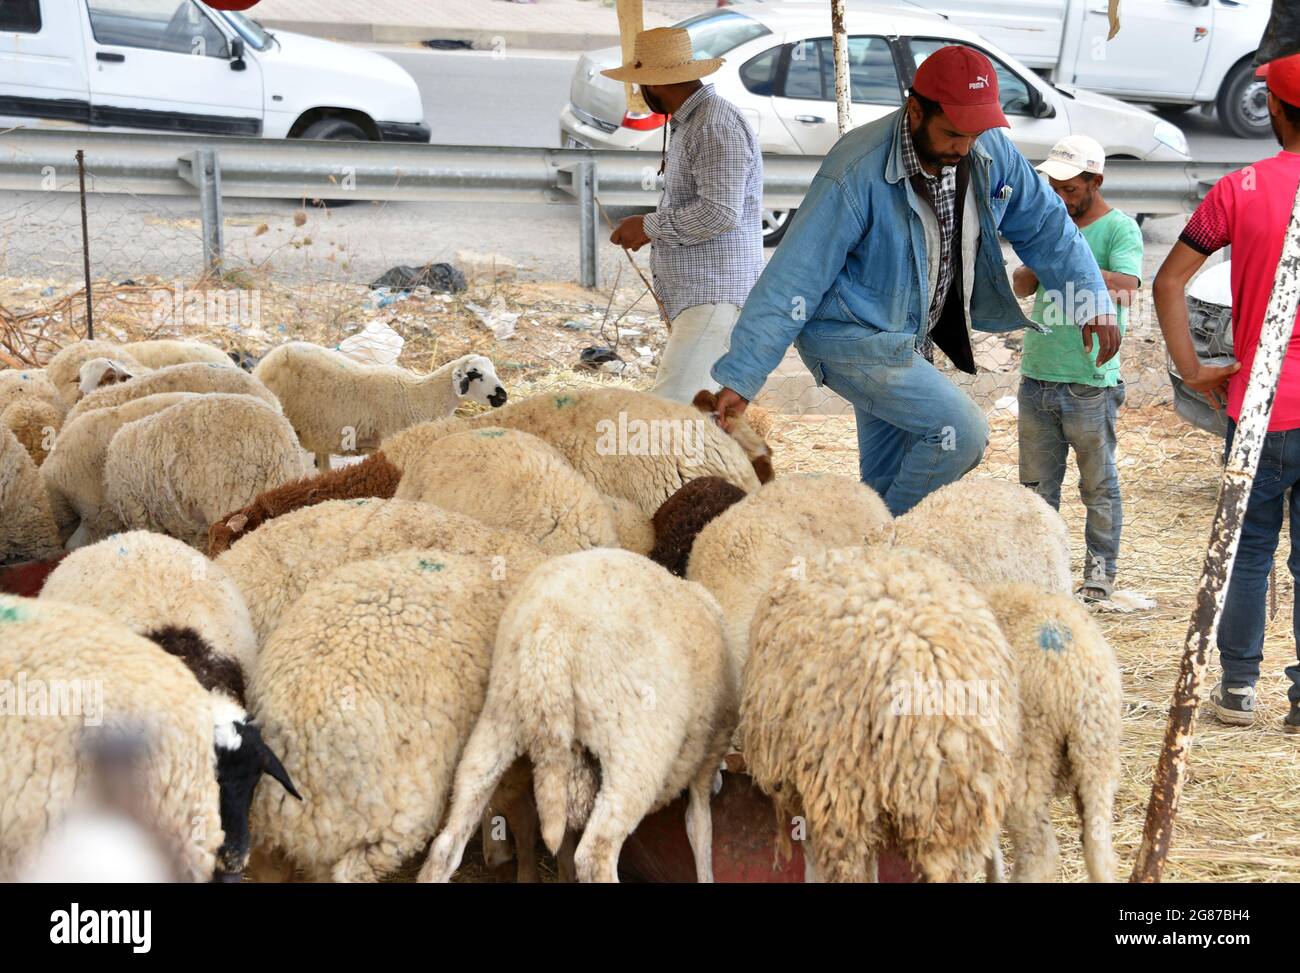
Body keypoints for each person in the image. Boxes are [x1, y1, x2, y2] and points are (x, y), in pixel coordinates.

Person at [707, 44, 1118, 516]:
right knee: (960, 433)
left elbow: (1047, 227)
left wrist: (1092, 300)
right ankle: (883, 542)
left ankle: (871, 563)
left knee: (886, 478)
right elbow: (792, 278)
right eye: (952, 133)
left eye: (975, 133)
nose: (964, 147)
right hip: (847, 337)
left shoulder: (986, 148)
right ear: (916, 110)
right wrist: (742, 375)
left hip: (906, 337)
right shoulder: (855, 170)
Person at [1154, 51, 1300, 730]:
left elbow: (1169, 281)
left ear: (1274, 110)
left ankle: (1239, 690)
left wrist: (1191, 368)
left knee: (1248, 551)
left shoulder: (1237, 189)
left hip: (1258, 405)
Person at [1014, 135, 1143, 603]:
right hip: (1038, 374)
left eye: (1070, 188)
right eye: (1054, 186)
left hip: (1090, 381)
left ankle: (1099, 572)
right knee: (1035, 487)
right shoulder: (1048, 224)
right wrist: (1044, 254)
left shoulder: (1118, 230)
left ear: (1095, 182)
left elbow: (1126, 287)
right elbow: (1022, 283)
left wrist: (1069, 260)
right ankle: (1040, 571)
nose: (1061, 196)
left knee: (1097, 483)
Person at [604, 27, 763, 403]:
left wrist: (647, 226)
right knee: (696, 413)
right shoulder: (693, 120)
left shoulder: (713, 125)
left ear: (653, 84)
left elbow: (720, 212)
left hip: (715, 295)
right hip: (703, 294)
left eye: (641, 84)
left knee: (671, 411)